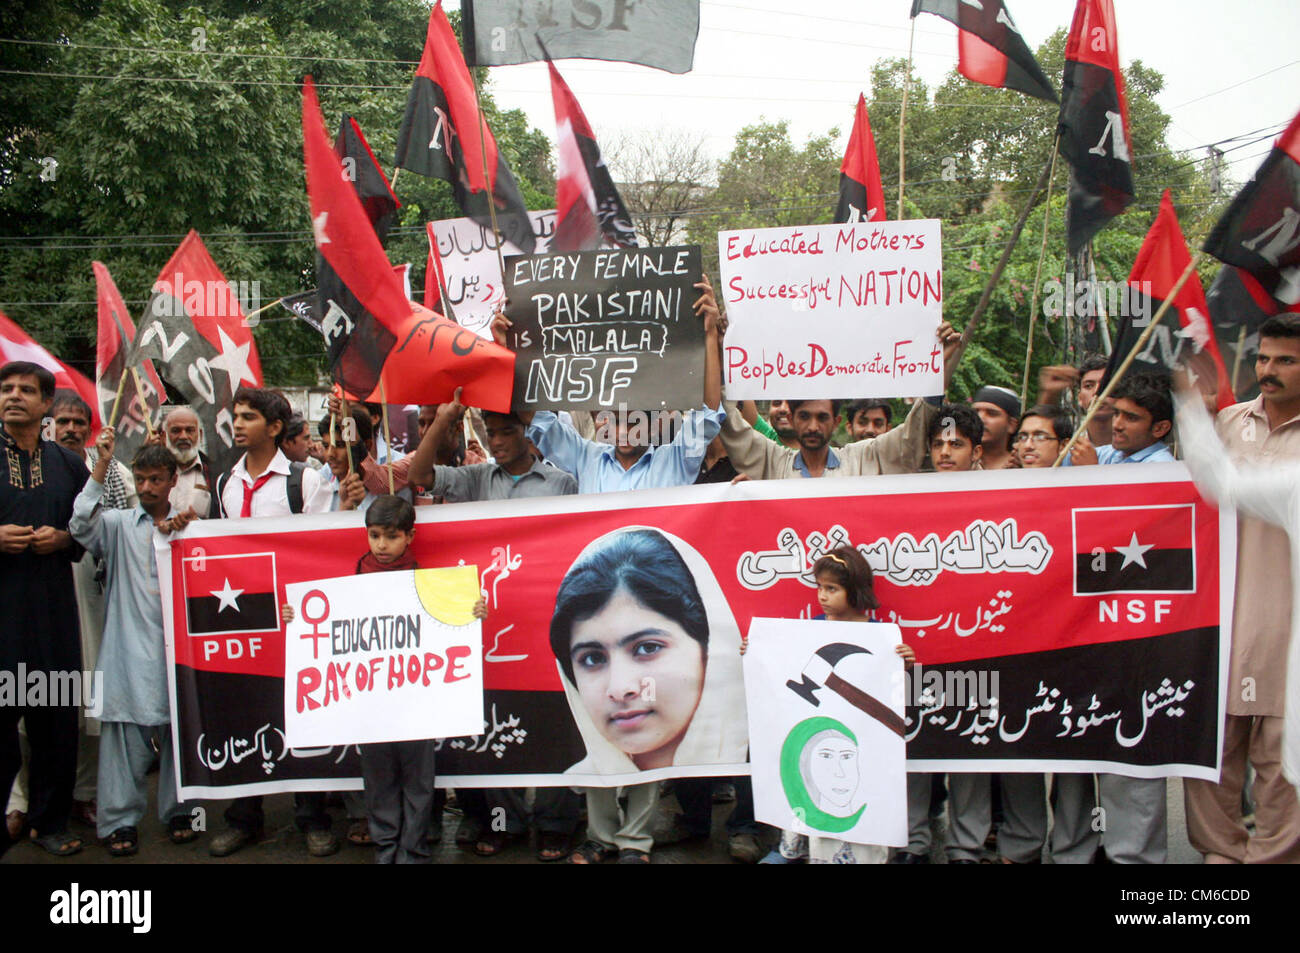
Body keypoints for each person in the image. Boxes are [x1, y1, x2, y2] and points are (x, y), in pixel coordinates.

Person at [405, 390, 582, 861]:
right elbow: (419, 476)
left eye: (507, 430)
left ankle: (556, 823)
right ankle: (505, 820)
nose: (497, 440)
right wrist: (444, 417)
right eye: (490, 430)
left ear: (528, 431)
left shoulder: (562, 482)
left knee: (557, 720)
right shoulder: (477, 478)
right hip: (491, 620)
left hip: (546, 617)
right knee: (494, 719)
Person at [282, 495, 486, 863]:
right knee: (378, 779)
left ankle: (414, 848)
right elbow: (324, 629)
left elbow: (451, 624)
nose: (381, 545)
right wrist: (295, 615)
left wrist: (473, 611)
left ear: (409, 536)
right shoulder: (350, 582)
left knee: (420, 781)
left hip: (416, 707)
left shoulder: (426, 582)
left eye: (391, 536)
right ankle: (386, 846)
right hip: (370, 706)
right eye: (374, 535)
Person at [1177, 313, 1300, 863]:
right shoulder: (1226, 423)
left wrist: (1186, 404)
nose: (1268, 371)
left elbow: (1222, 482)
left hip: (1287, 626)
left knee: (1283, 764)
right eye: (1263, 358)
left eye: (1286, 360)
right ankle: (1219, 864)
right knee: (1213, 754)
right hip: (1223, 620)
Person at [550, 527, 747, 864]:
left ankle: (635, 841)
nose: (620, 688)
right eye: (592, 658)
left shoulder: (739, 741)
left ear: (706, 645)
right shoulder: (579, 756)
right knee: (605, 760)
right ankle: (600, 838)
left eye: (647, 647)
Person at [208, 386, 336, 858]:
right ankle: (243, 817)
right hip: (245, 624)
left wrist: (300, 605)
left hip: (297, 623)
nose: (237, 424)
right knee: (247, 713)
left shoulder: (302, 482)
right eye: (236, 417)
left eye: (247, 417)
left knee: (301, 719)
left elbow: (322, 553)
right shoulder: (226, 484)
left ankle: (313, 816)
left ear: (275, 427)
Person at [68, 429, 198, 855]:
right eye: (140, 479)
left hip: (178, 651)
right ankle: (119, 822)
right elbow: (79, 526)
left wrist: (185, 530)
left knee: (182, 734)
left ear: (172, 480)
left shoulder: (190, 525)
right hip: (127, 650)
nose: (146, 487)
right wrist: (101, 466)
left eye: (156, 479)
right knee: (122, 743)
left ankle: (182, 811)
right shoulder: (118, 524)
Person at [1064, 371, 1175, 864]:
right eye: (1118, 414)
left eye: (1133, 418)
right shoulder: (1110, 456)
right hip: (1090, 624)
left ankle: (1136, 858)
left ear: (1161, 429)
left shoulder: (1164, 470)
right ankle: (1092, 847)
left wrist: (1090, 476)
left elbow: (1122, 518)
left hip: (1137, 629)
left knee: (1134, 747)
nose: (1119, 425)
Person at [751, 547, 914, 864]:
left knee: (857, 791)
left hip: (861, 736)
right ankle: (795, 848)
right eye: (819, 587)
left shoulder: (880, 637)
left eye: (831, 589)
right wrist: (755, 650)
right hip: (819, 729)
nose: (822, 596)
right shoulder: (809, 630)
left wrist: (902, 663)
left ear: (855, 591)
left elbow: (888, 688)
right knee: (814, 786)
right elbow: (781, 664)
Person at [0, 361, 89, 857]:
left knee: (55, 720)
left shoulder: (69, 465)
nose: (14, 396)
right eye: (6, 388)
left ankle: (49, 822)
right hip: (3, 617)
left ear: (45, 404)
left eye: (26, 390)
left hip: (54, 615)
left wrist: (65, 537)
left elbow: (88, 530)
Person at [716, 323, 963, 480]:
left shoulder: (863, 458)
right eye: (804, 416)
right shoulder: (773, 462)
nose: (813, 426)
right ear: (792, 418)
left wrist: (936, 368)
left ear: (836, 422)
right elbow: (730, 422)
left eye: (822, 417)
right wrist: (723, 350)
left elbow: (913, 434)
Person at [1067, 373, 1175, 467]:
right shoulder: (1112, 454)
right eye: (1116, 413)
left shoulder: (1162, 467)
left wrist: (1091, 472)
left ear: (1160, 428)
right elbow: (1055, 461)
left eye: (1131, 418)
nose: (1116, 425)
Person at [162, 407, 213, 517]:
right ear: (165, 435)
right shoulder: (155, 471)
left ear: (200, 434)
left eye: (189, 430)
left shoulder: (214, 473)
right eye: (176, 431)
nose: (183, 436)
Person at [969, 385, 1020, 470]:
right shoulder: (956, 463)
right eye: (975, 412)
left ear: (1012, 425)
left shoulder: (1023, 467)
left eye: (991, 413)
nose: (980, 419)